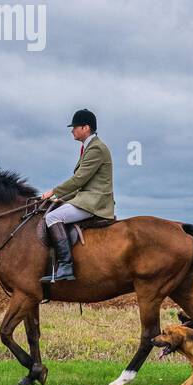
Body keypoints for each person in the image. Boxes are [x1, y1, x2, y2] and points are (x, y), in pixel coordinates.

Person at [39, 109, 115, 283]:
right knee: (56, 209)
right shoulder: (88, 147)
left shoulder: (96, 148)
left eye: (74, 127)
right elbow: (84, 183)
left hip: (95, 202)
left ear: (86, 127)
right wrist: (60, 199)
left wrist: (54, 191)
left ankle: (65, 267)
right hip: (87, 197)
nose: (72, 130)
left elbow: (79, 179)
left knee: (52, 217)